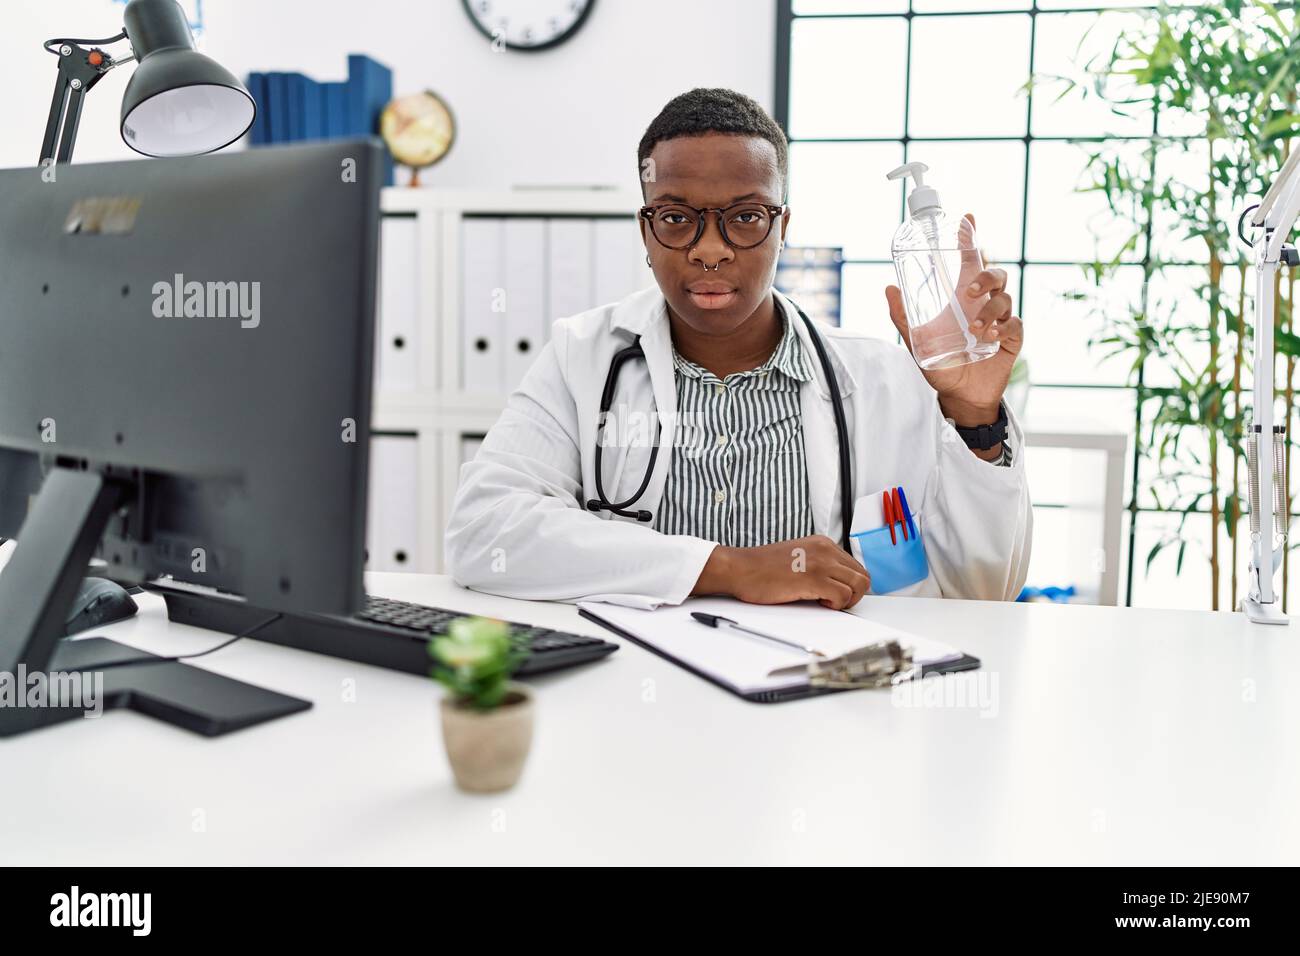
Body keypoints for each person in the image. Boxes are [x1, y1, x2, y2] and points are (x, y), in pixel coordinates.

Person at [446, 88, 1030, 611]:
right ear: (646, 230)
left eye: (746, 217)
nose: (709, 250)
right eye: (676, 218)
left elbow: (980, 593)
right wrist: (727, 569)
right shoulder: (582, 358)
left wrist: (974, 417)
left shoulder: (885, 377)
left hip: (824, 701)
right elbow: (483, 533)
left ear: (784, 228)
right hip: (631, 694)